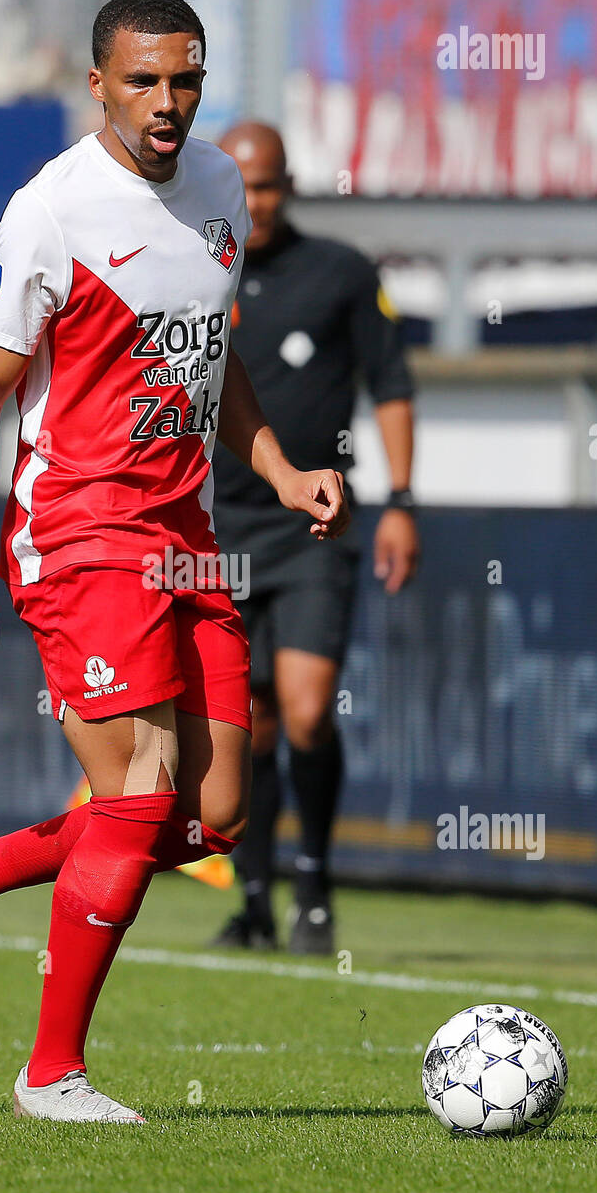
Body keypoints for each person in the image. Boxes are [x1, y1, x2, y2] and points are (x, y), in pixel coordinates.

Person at [0, 0, 349, 1124]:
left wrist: (282, 471)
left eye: (183, 80)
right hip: (82, 531)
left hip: (186, 536)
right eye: (141, 81)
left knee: (212, 816)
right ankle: (52, 1074)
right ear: (97, 83)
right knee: (135, 791)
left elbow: (210, 359)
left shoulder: (220, 192)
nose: (165, 103)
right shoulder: (52, 210)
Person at [210, 122, 419, 956]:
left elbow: (393, 384)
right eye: (240, 187)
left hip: (313, 522)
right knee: (245, 721)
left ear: (288, 186)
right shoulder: (192, 270)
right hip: (214, 523)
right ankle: (253, 899)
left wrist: (403, 499)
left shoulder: (340, 272)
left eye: (267, 187)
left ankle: (315, 880)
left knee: (304, 709)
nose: (254, 204)